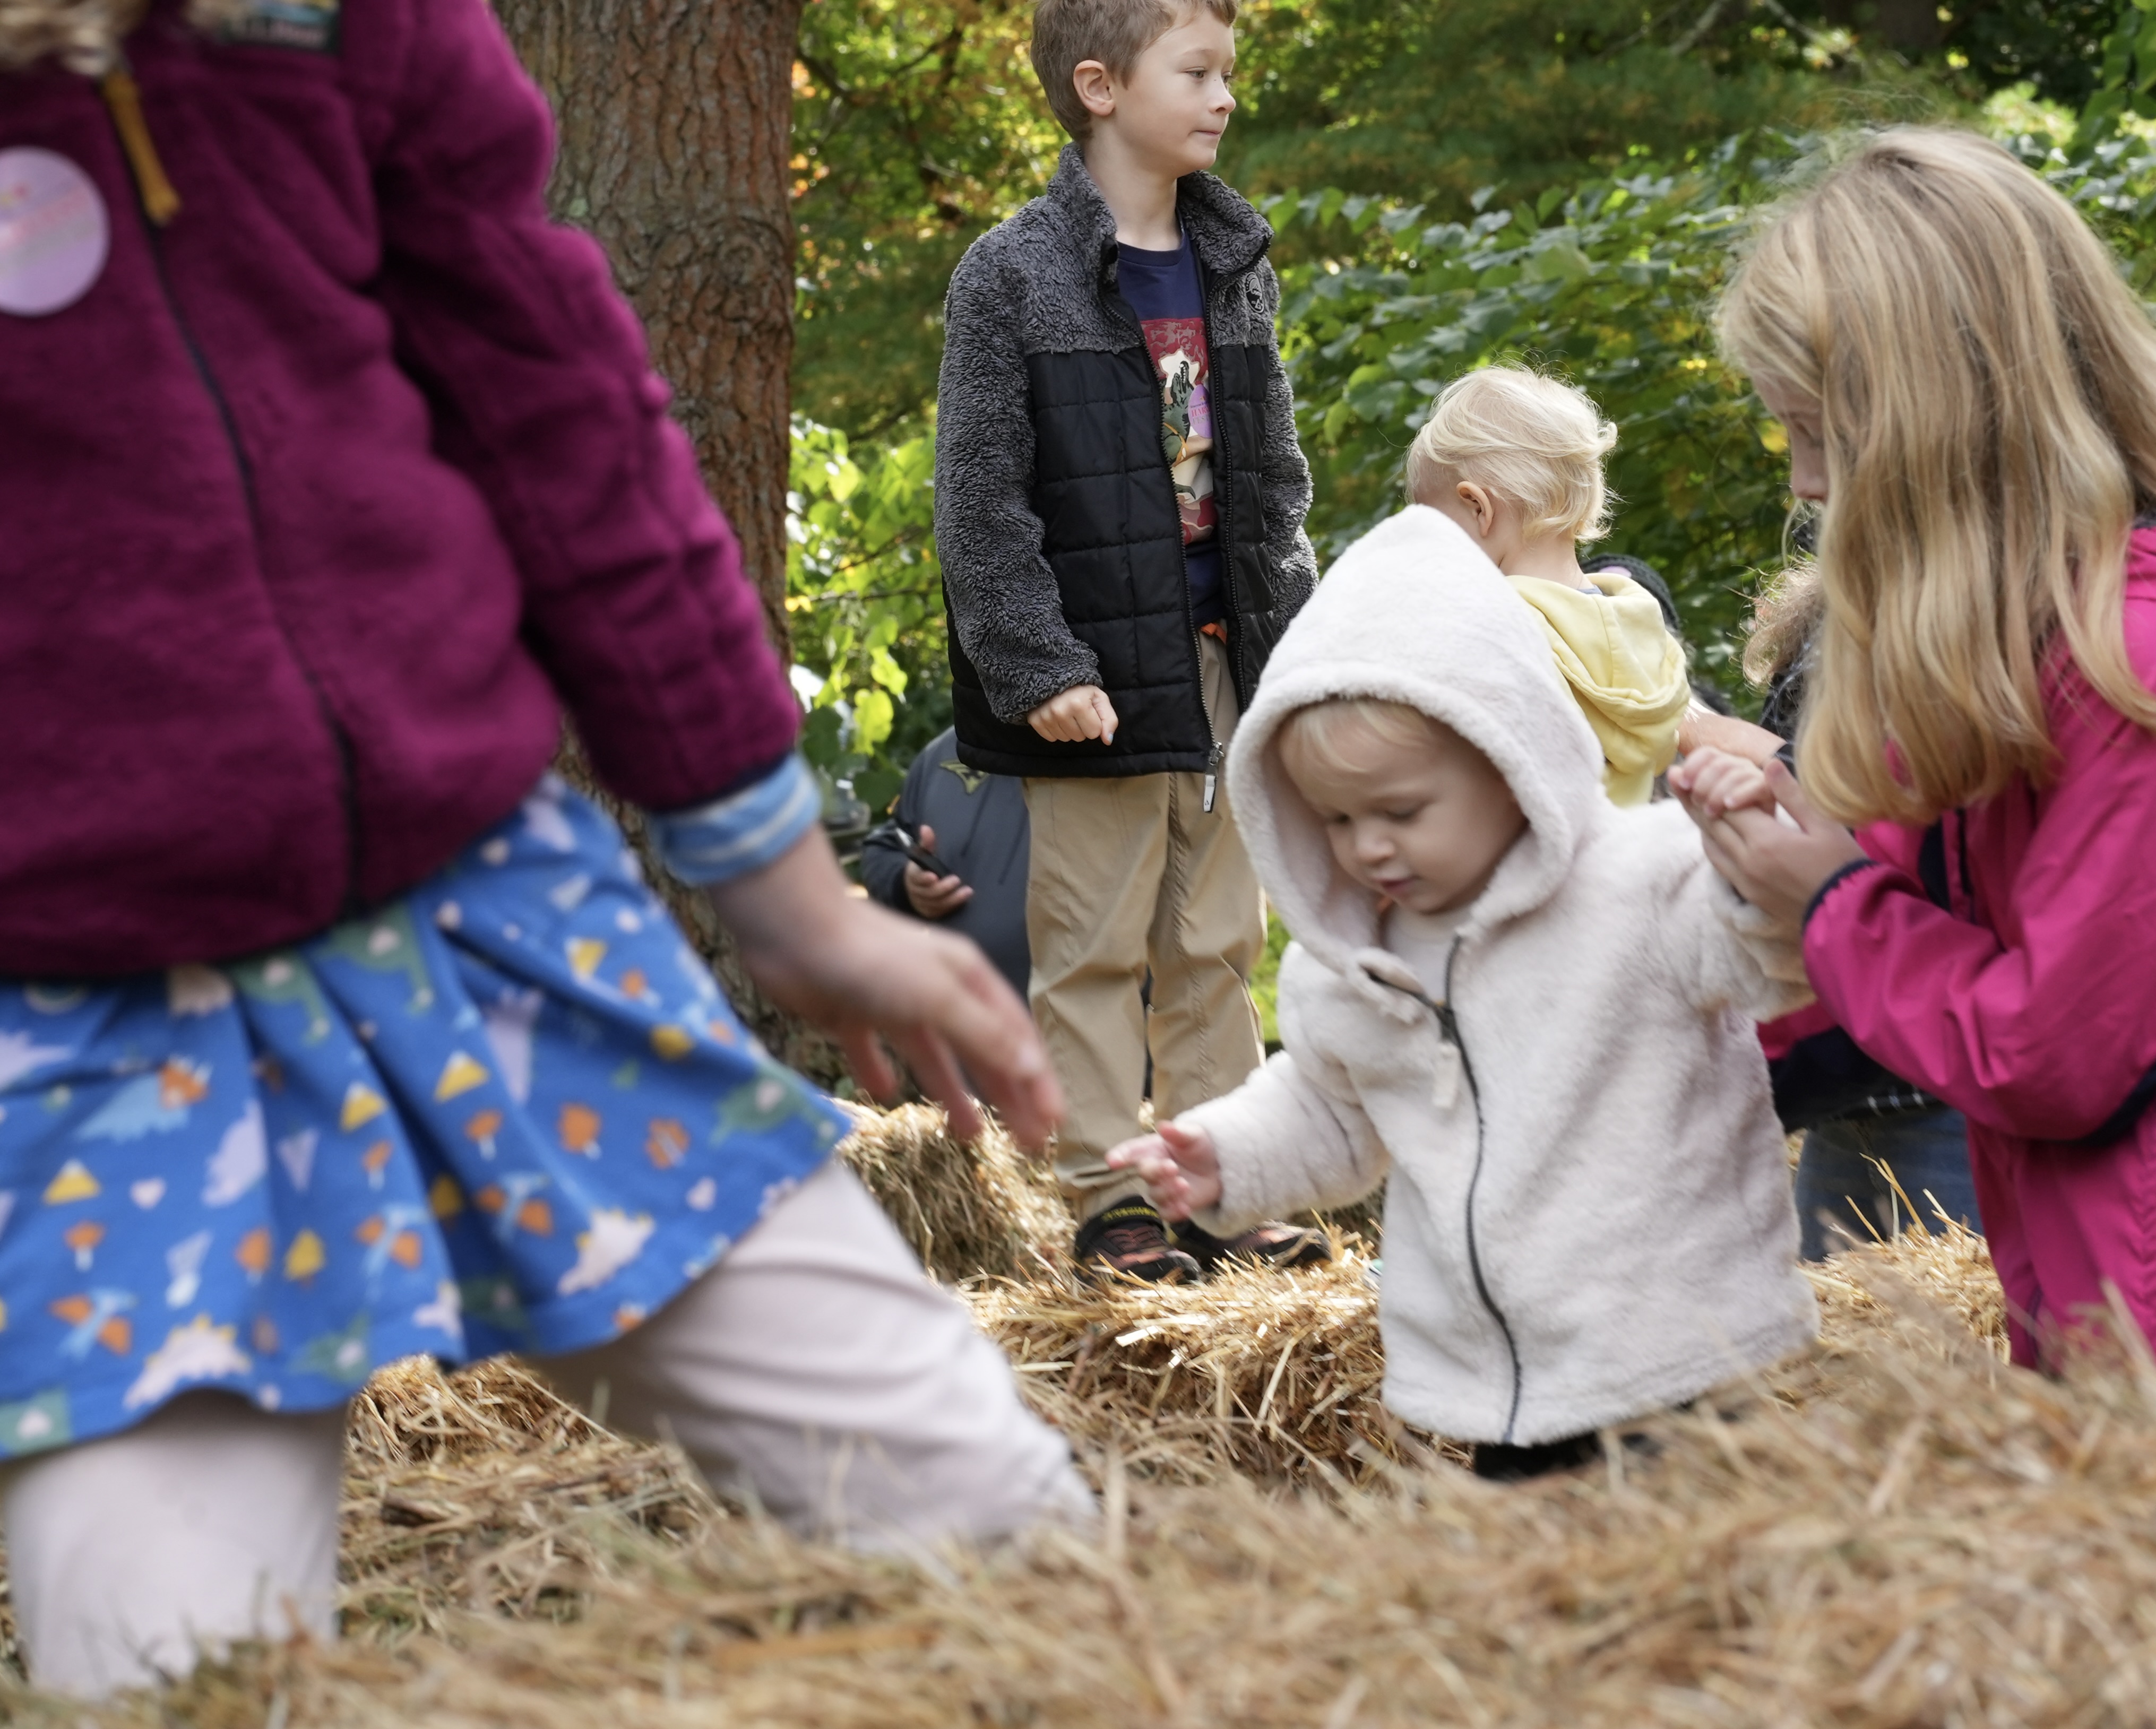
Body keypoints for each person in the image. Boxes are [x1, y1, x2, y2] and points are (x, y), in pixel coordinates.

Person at [0, 0, 1088, 1696]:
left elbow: (567, 423)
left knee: (994, 1525)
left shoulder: (342, 24)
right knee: (175, 1678)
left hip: (493, 932)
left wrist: (792, 899)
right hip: (90, 1028)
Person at [1683, 128, 2156, 1444]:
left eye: (1820, 433)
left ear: (1941, 423)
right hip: (2130, 1318)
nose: (1806, 482)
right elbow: (1885, 961)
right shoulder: (2015, 651)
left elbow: (2050, 1052)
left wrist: (1822, 897)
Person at [1108, 506, 1821, 1481]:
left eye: (1400, 811)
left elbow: (1773, 960)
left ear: (1508, 754)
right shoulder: (1351, 964)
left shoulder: (1641, 882)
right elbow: (1329, 1113)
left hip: (1682, 1354)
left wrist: (1747, 858)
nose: (1367, 846)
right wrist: (1226, 1153)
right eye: (1334, 820)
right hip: (1508, 1393)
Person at [935, 0, 1325, 1281]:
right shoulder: (1010, 272)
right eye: (1197, 71)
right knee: (1095, 947)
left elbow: (1274, 477)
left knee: (1216, 943)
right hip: (1090, 676)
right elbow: (979, 501)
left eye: (1229, 72)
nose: (1225, 96)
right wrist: (1037, 665)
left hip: (1224, 654)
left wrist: (1295, 647)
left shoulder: (1236, 260)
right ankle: (1112, 1201)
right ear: (1100, 87)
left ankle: (1222, 1185)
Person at [1739, 572, 1981, 1261]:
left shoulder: (1960, 622)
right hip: (1839, 1091)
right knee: (1833, 1320)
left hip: (1937, 1087)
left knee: (1961, 1316)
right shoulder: (1821, 632)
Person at [1407, 366, 1692, 807]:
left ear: (1478, 507)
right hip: (1626, 839)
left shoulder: (1497, 630)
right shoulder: (1636, 618)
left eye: (1438, 530)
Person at [857, 728, 1033, 995]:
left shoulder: (1097, 751)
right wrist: (907, 885)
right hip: (957, 1007)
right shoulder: (947, 750)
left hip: (1071, 1013)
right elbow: (885, 847)